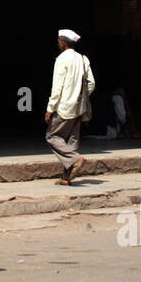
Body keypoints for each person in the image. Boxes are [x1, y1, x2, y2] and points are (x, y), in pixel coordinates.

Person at [45, 29, 95, 185]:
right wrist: (80, 96)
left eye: (58, 40)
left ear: (63, 41)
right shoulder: (83, 59)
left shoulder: (61, 59)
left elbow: (57, 87)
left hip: (64, 107)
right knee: (72, 141)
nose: (58, 43)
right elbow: (91, 83)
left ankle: (75, 159)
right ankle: (66, 177)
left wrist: (50, 108)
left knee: (52, 136)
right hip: (80, 107)